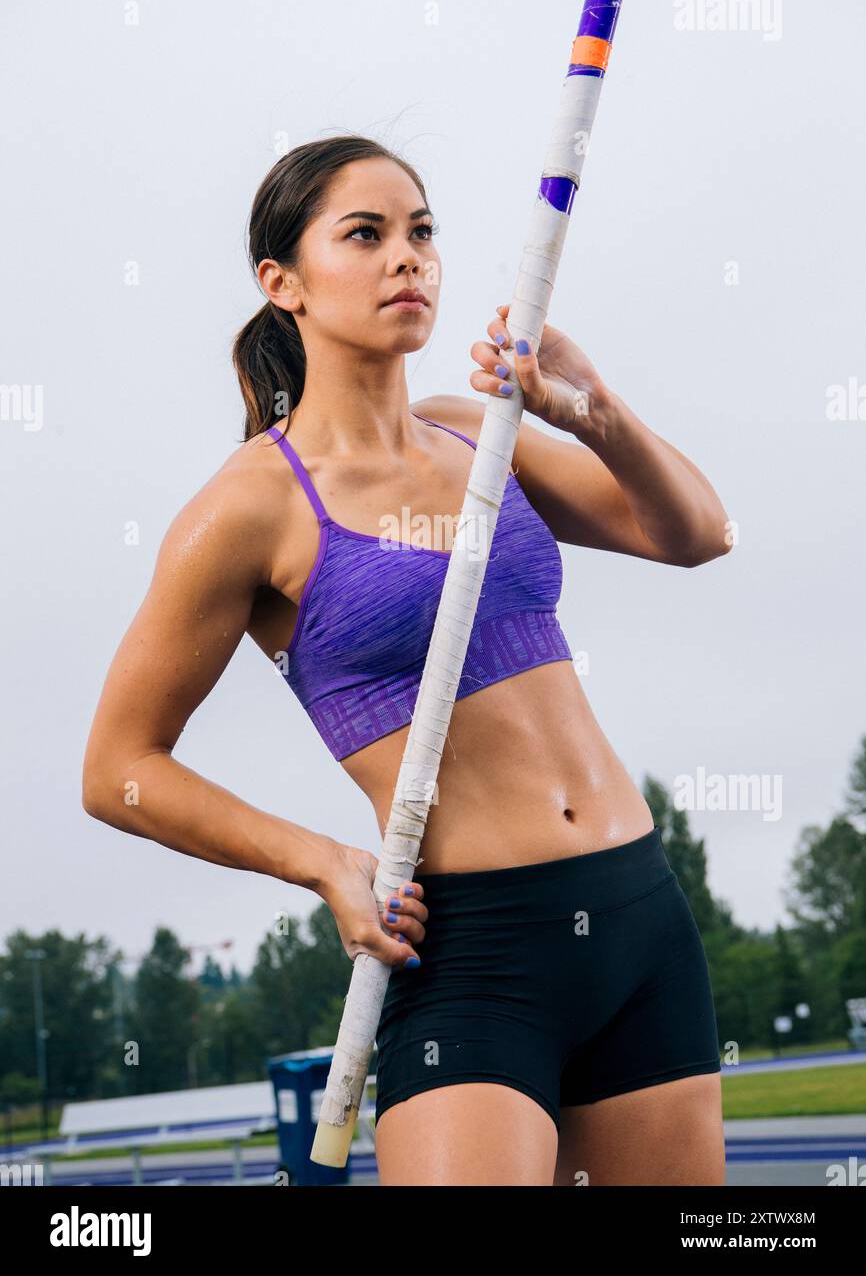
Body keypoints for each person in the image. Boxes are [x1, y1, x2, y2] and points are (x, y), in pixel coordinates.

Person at [83, 134, 731, 1186]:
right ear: (280, 282)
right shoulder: (250, 506)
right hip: (472, 951)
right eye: (366, 235)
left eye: (421, 232)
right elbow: (118, 768)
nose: (407, 258)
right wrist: (322, 862)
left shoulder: (478, 431)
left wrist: (595, 412)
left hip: (637, 916)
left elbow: (696, 533)